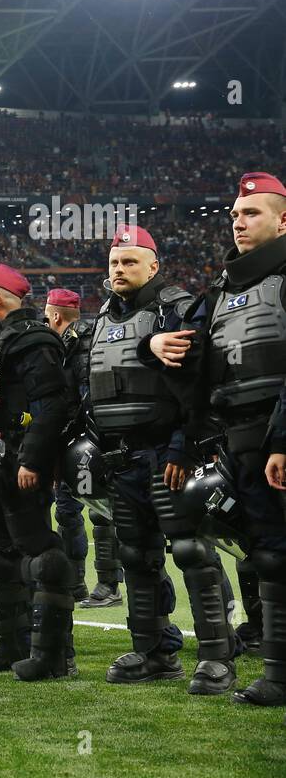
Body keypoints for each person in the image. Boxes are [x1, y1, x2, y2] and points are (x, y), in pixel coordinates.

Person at [148, 171, 286, 711]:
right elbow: (193, 369)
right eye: (234, 214)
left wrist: (282, 439)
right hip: (240, 443)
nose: (238, 221)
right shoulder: (222, 289)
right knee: (269, 558)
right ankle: (277, 673)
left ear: (282, 219)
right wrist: (153, 345)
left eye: (251, 213)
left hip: (274, 438)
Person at [84, 227, 236, 691]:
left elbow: (196, 389)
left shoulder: (178, 308)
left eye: (130, 262)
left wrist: (182, 447)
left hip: (166, 454)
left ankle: (217, 656)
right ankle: (152, 652)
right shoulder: (102, 318)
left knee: (192, 551)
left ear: (153, 266)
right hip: (121, 459)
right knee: (137, 557)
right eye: (114, 263)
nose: (119, 270)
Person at [0, 265, 74, 680]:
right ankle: (10, 646)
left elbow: (53, 404)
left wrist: (33, 460)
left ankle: (52, 656)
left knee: (42, 556)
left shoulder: (32, 342)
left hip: (20, 464)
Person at [44, 288, 121, 607]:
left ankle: (107, 584)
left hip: (92, 442)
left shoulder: (83, 344)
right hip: (71, 443)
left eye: (46, 316)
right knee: (68, 510)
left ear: (57, 316)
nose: (44, 322)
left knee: (103, 511)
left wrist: (76, 433)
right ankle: (76, 584)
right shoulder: (65, 345)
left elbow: (91, 399)